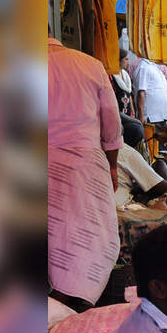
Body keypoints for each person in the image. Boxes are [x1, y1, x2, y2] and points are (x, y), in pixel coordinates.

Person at [48, 37, 122, 313]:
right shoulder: (90, 65)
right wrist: (112, 165)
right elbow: (112, 125)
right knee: (88, 240)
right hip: (84, 165)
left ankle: (56, 310)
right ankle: (72, 306)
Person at [133, 56, 167, 125]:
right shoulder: (143, 67)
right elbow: (141, 93)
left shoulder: (155, 66)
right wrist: (141, 117)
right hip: (151, 118)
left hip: (161, 116)